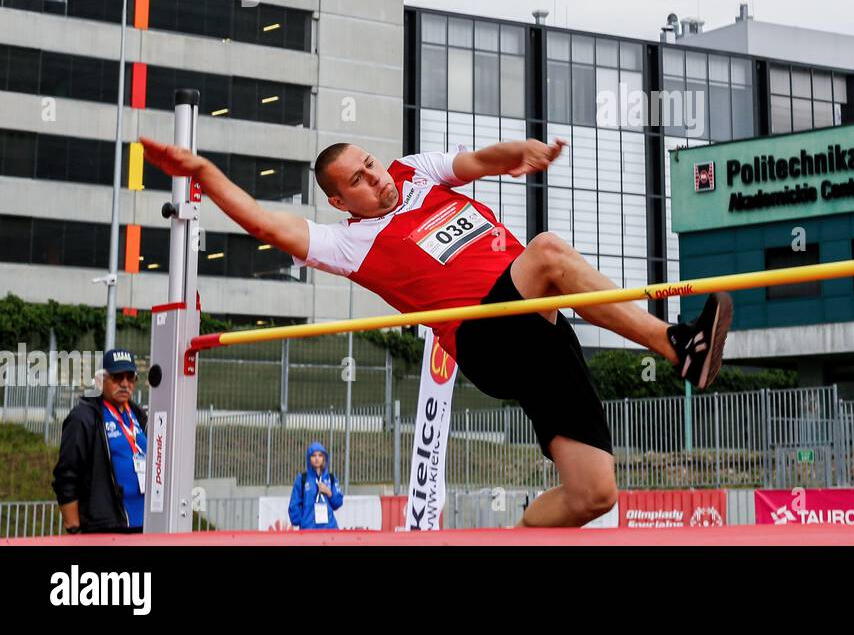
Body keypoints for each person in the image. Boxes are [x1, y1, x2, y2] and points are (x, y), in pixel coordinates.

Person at [141, 135, 732, 529]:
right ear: (339, 198)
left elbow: (475, 163)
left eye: (370, 165)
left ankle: (513, 540)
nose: (376, 180)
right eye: (359, 181)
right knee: (549, 252)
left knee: (593, 493)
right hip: (487, 338)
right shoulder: (349, 243)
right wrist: (201, 172)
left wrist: (516, 155)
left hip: (539, 329)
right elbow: (267, 222)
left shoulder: (414, 172)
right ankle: (679, 346)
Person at [52, 350, 149, 534]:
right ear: (99, 381)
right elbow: (66, 476)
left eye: (130, 377)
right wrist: (74, 529)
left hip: (145, 525)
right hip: (105, 527)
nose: (124, 384)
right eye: (117, 377)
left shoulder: (138, 415)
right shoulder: (83, 418)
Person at [288, 442, 344, 530]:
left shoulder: (331, 478)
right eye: (313, 456)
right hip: (309, 530)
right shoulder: (302, 479)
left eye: (320, 455)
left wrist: (329, 492)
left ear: (324, 458)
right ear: (309, 458)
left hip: (329, 528)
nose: (317, 459)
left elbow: (338, 502)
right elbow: (294, 504)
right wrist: (302, 521)